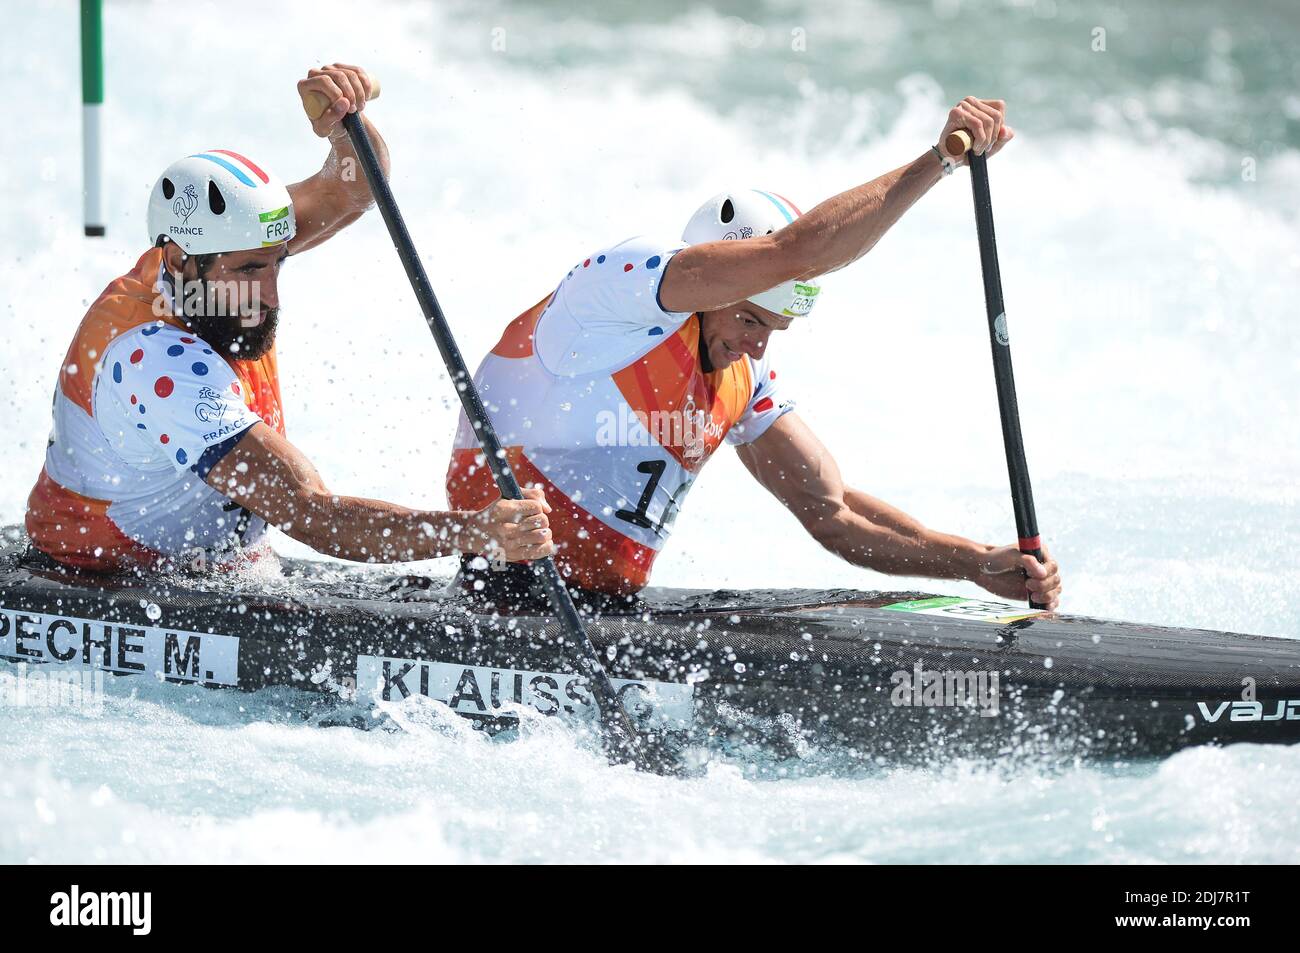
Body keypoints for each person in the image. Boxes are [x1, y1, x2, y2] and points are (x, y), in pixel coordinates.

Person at [447, 96, 1061, 609]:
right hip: (497, 595)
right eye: (748, 317)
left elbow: (834, 512)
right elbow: (798, 252)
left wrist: (975, 563)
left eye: (775, 327)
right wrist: (939, 161)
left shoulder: (742, 370)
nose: (758, 343)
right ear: (718, 279)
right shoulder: (613, 298)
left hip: (607, 614)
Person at [25, 64, 553, 575]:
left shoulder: (218, 259)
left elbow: (351, 189)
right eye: (253, 270)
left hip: (208, 567)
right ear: (180, 259)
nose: (270, 293)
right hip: (100, 578)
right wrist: (472, 533)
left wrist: (346, 125)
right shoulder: (152, 360)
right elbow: (310, 512)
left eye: (278, 261)